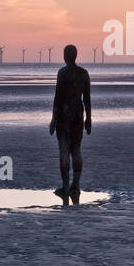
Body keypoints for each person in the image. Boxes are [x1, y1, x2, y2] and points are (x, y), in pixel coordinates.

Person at [50, 44, 91, 205]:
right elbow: (87, 99)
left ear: (65, 56)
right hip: (78, 114)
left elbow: (57, 98)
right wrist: (89, 119)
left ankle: (66, 186)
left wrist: (53, 120)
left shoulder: (62, 73)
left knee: (64, 150)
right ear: (76, 55)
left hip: (64, 115)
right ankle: (76, 185)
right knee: (77, 150)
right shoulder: (83, 73)